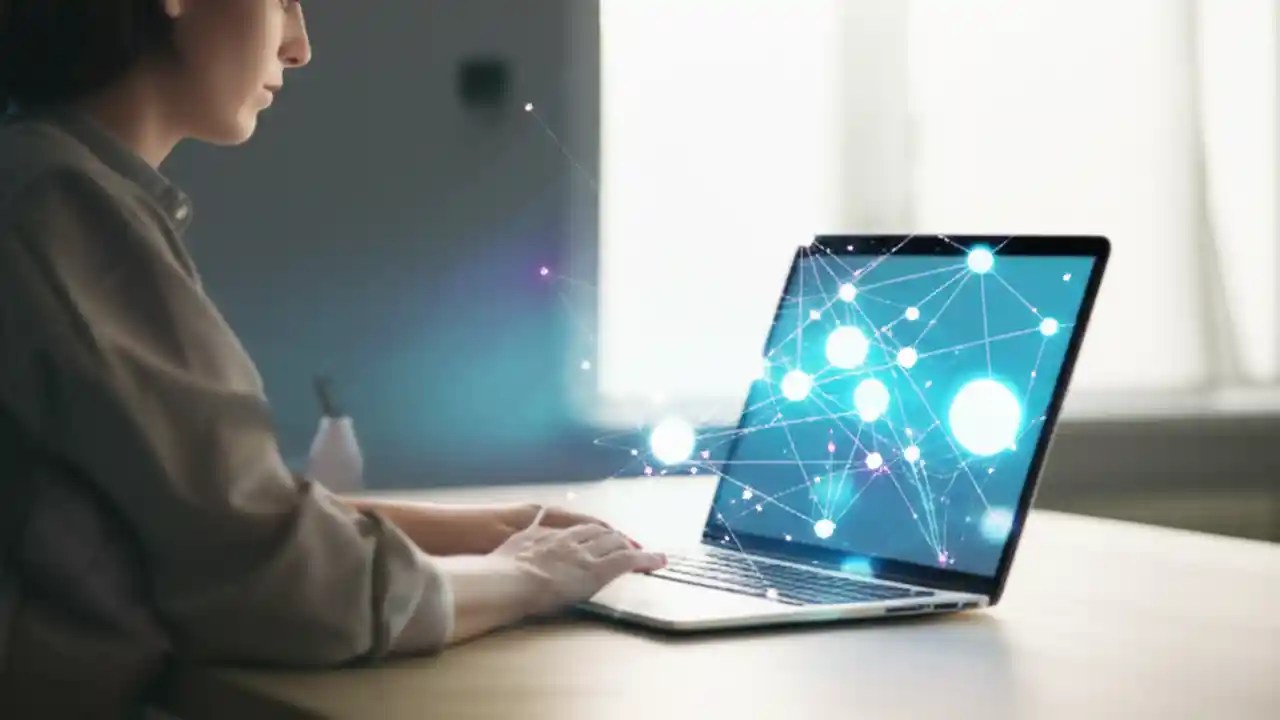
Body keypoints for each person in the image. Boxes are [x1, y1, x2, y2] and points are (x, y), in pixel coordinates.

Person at [0, 1, 666, 715]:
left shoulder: (42, 180)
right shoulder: (61, 205)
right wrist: (526, 577)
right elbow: (280, 588)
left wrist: (484, 527)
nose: (299, 47)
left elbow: (199, 512)